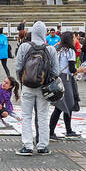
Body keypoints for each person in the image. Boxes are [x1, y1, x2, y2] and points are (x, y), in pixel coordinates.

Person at [15, 20, 59, 155]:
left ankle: (27, 145)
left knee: (26, 116)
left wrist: (22, 80)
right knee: (43, 116)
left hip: (27, 86)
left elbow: (18, 67)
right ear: (45, 33)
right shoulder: (50, 49)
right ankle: (42, 146)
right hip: (43, 87)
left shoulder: (24, 47)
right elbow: (56, 71)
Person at [48, 32, 82, 141]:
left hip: (58, 78)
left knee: (63, 104)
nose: (76, 39)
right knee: (65, 105)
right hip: (66, 79)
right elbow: (72, 68)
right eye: (74, 37)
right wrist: (79, 70)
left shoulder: (59, 50)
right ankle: (54, 132)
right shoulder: (70, 51)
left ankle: (66, 130)